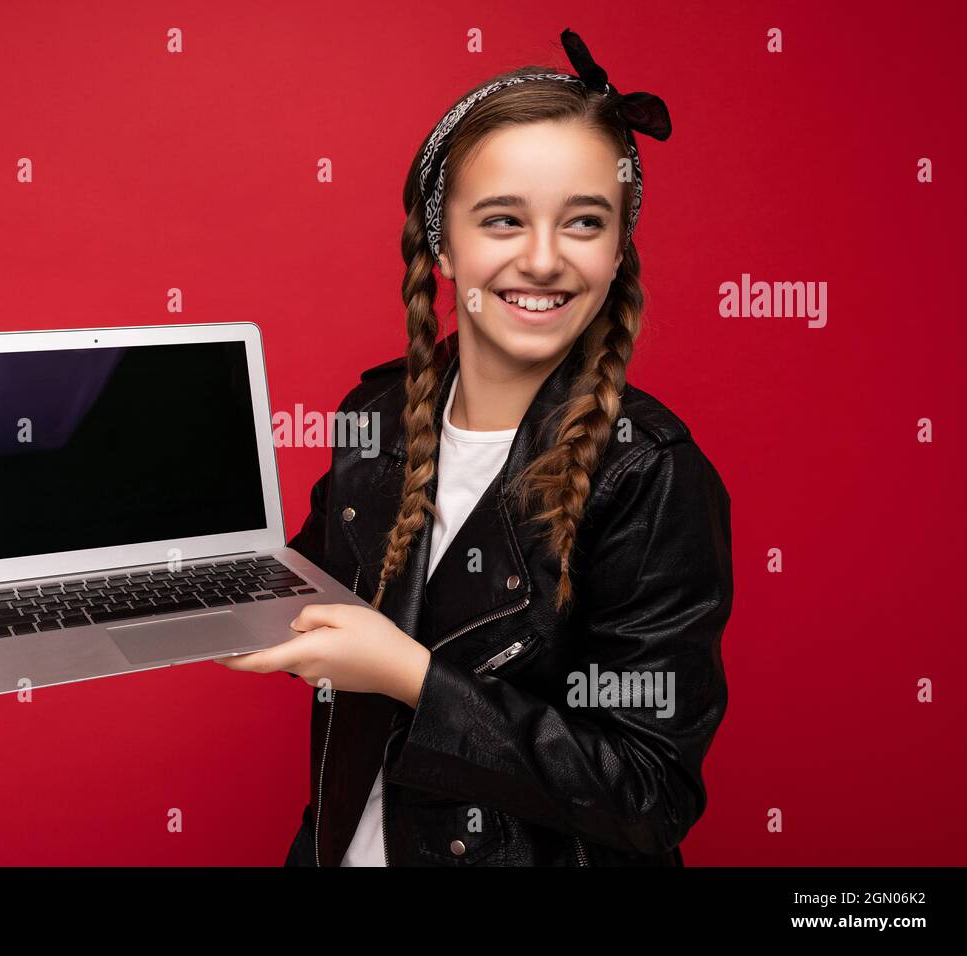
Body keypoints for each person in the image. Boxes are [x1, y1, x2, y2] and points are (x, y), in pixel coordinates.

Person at [214, 27, 733, 867]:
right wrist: (169, 571)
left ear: (616, 251)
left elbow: (650, 792)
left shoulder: (650, 471)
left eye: (584, 222)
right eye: (502, 220)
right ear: (444, 247)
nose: (542, 259)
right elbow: (312, 598)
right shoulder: (371, 418)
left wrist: (412, 677)